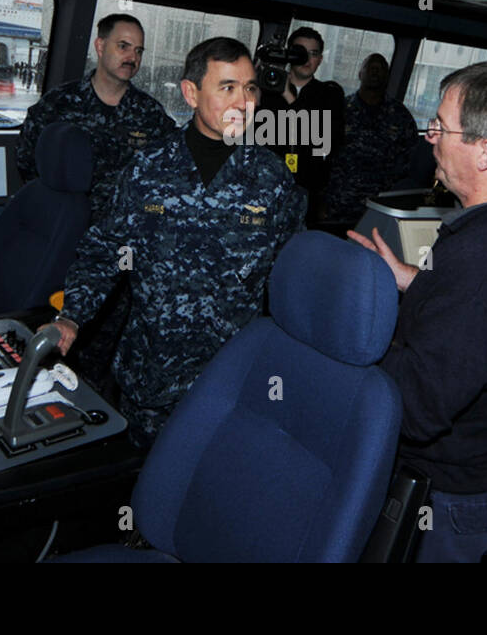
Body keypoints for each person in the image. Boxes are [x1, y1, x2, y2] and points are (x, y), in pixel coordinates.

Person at [46, 37, 306, 448]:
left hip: (231, 377)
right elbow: (105, 251)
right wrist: (71, 316)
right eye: (227, 88)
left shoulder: (273, 180)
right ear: (190, 93)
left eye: (251, 88)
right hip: (151, 374)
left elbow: (293, 275)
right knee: (142, 487)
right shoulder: (147, 170)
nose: (244, 101)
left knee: (210, 489)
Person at [348, 62, 487, 562]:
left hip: (444, 501)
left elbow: (417, 405)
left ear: (486, 152)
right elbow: (463, 313)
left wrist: (353, 341)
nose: (430, 136)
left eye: (442, 126)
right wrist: (408, 278)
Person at [14, 14, 175, 217]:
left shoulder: (151, 113)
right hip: (61, 223)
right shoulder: (58, 103)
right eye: (123, 46)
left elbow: (167, 169)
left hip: (120, 230)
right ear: (100, 47)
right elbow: (25, 157)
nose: (132, 58)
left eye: (138, 50)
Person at [257, 27, 344, 223]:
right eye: (299, 53)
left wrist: (288, 97)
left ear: (320, 59)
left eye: (313, 54)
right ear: (289, 55)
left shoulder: (329, 94)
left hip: (307, 189)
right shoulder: (267, 89)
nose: (306, 59)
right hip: (266, 185)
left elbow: (323, 140)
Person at [322, 53, 420, 223]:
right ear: (360, 73)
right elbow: (322, 158)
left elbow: (408, 163)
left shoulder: (401, 116)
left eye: (380, 69)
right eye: (370, 68)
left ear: (387, 77)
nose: (375, 72)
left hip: (378, 205)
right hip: (338, 202)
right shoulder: (340, 110)